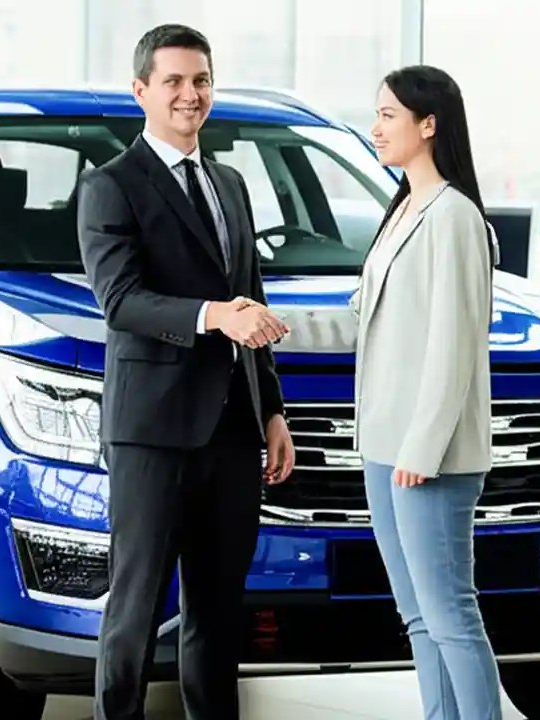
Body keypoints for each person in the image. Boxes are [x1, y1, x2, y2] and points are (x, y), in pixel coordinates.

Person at [75, 22, 298, 720]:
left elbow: (250, 298)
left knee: (218, 611)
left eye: (200, 80)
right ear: (141, 90)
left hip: (233, 429)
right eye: (173, 81)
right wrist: (212, 315)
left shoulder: (230, 183)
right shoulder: (110, 187)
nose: (189, 94)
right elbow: (122, 301)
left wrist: (273, 410)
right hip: (153, 431)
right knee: (137, 608)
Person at [352, 65, 502, 720]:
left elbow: (456, 345)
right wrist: (266, 322)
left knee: (451, 615)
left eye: (388, 115)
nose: (376, 127)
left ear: (428, 124)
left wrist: (423, 446)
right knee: (417, 618)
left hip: (426, 455)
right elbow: (367, 314)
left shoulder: (455, 218)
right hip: (383, 446)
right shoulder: (403, 210)